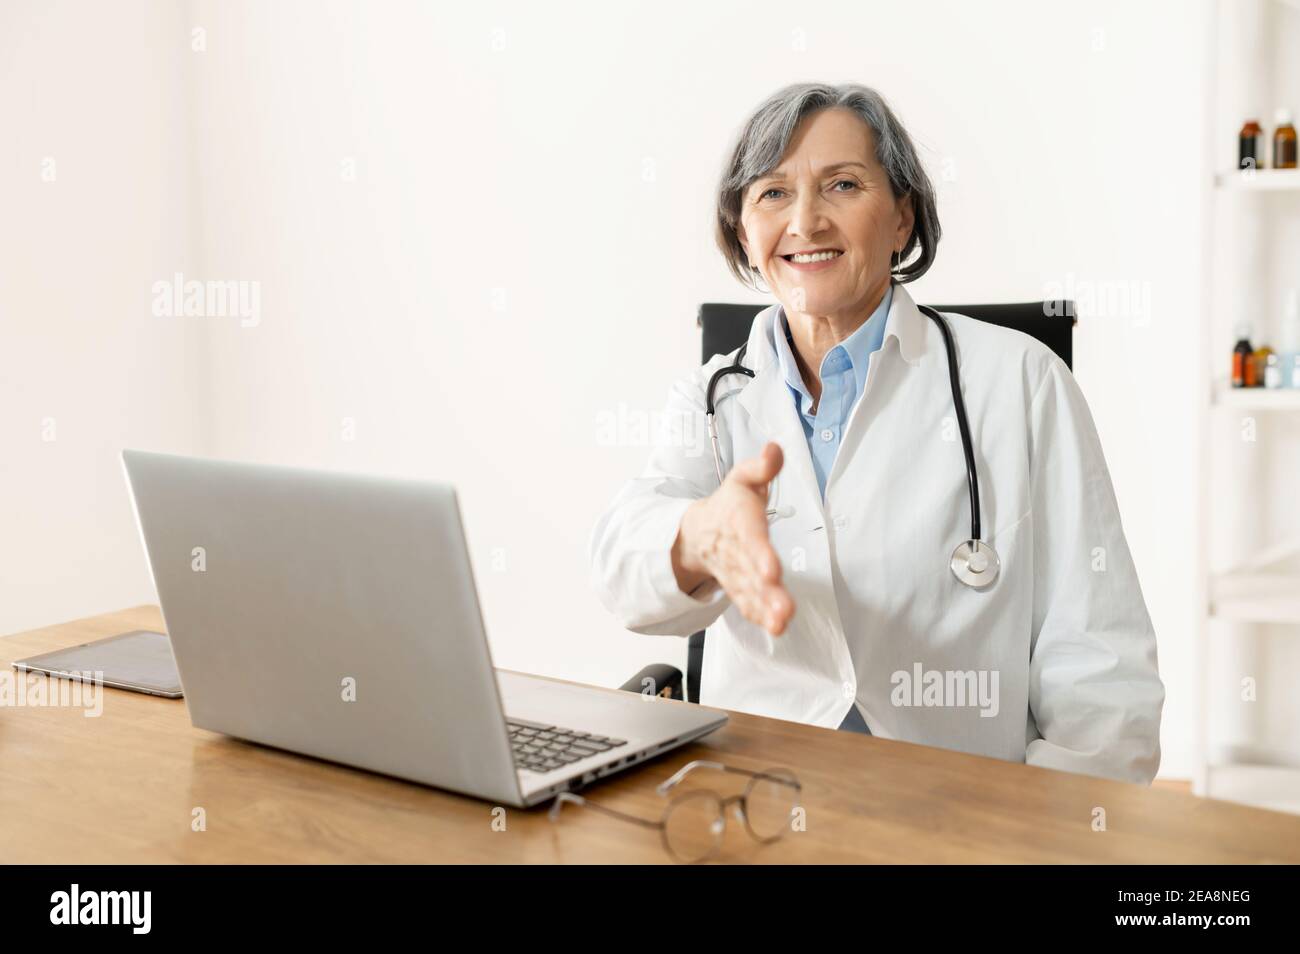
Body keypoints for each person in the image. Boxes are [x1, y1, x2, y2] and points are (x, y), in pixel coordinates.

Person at [589, 82, 1164, 784]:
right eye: (773, 193)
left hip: (957, 812)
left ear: (901, 220)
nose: (805, 221)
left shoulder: (1021, 381)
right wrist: (700, 535)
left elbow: (1101, 666)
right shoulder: (715, 399)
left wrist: (1045, 833)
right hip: (757, 803)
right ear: (744, 233)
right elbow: (622, 576)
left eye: (842, 185)